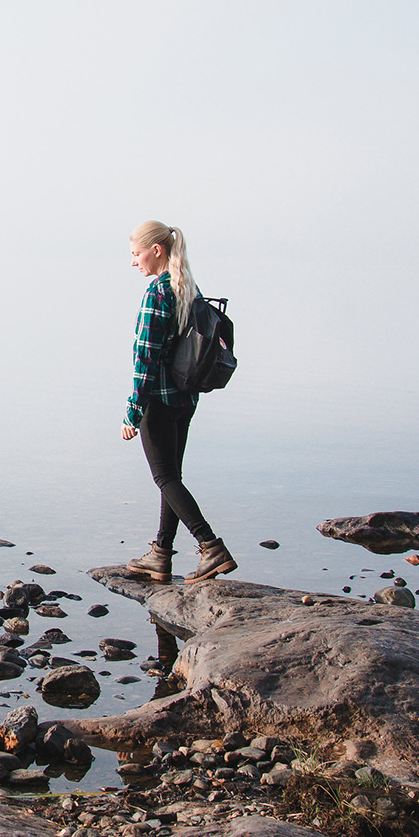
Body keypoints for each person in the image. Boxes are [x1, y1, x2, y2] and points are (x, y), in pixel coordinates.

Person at [121, 220, 236, 585]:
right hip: (186, 399)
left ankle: (210, 545)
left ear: (157, 250)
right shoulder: (187, 287)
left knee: (165, 477)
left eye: (137, 254)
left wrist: (133, 412)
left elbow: (146, 358)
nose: (134, 262)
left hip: (159, 400)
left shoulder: (157, 293)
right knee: (172, 477)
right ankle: (161, 554)